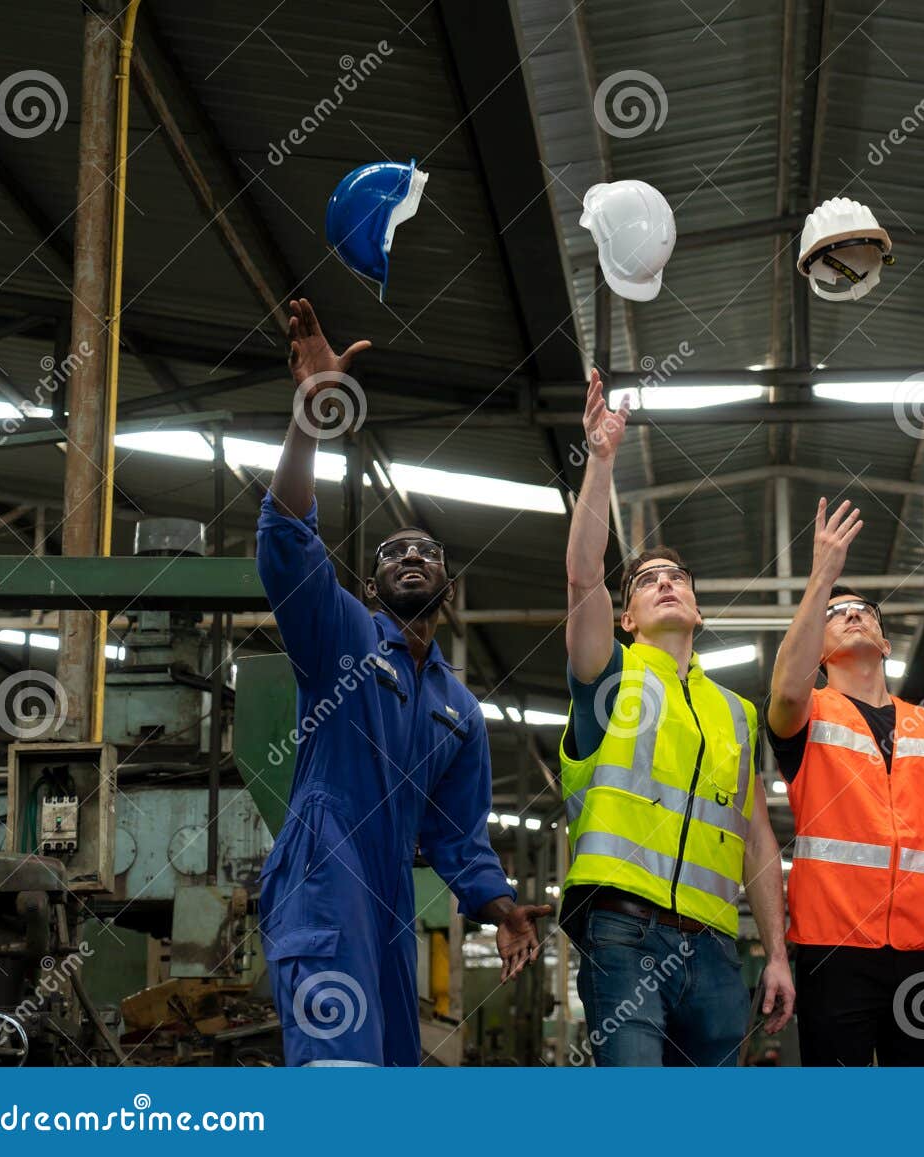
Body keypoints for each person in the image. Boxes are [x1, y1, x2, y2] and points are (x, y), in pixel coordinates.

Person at [257, 298, 551, 1066]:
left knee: (391, 1072)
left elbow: (457, 833)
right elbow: (286, 540)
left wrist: (499, 907)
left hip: (388, 896)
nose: (410, 558)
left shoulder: (458, 710)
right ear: (371, 580)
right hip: (327, 872)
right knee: (338, 1070)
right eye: (392, 553)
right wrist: (311, 416)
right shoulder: (343, 637)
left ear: (448, 582)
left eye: (425, 552)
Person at [557, 369, 794, 1066]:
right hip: (623, 934)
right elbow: (580, 575)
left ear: (696, 607)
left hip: (718, 948)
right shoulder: (611, 670)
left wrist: (774, 951)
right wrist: (601, 461)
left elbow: (756, 839)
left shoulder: (737, 711)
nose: (665, 581)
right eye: (646, 579)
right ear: (627, 615)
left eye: (678, 577)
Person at [767, 498, 924, 1066]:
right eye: (836, 612)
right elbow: (785, 688)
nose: (852, 615)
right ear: (818, 649)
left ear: (886, 642)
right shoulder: (806, 715)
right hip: (834, 949)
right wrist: (820, 578)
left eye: (865, 611)